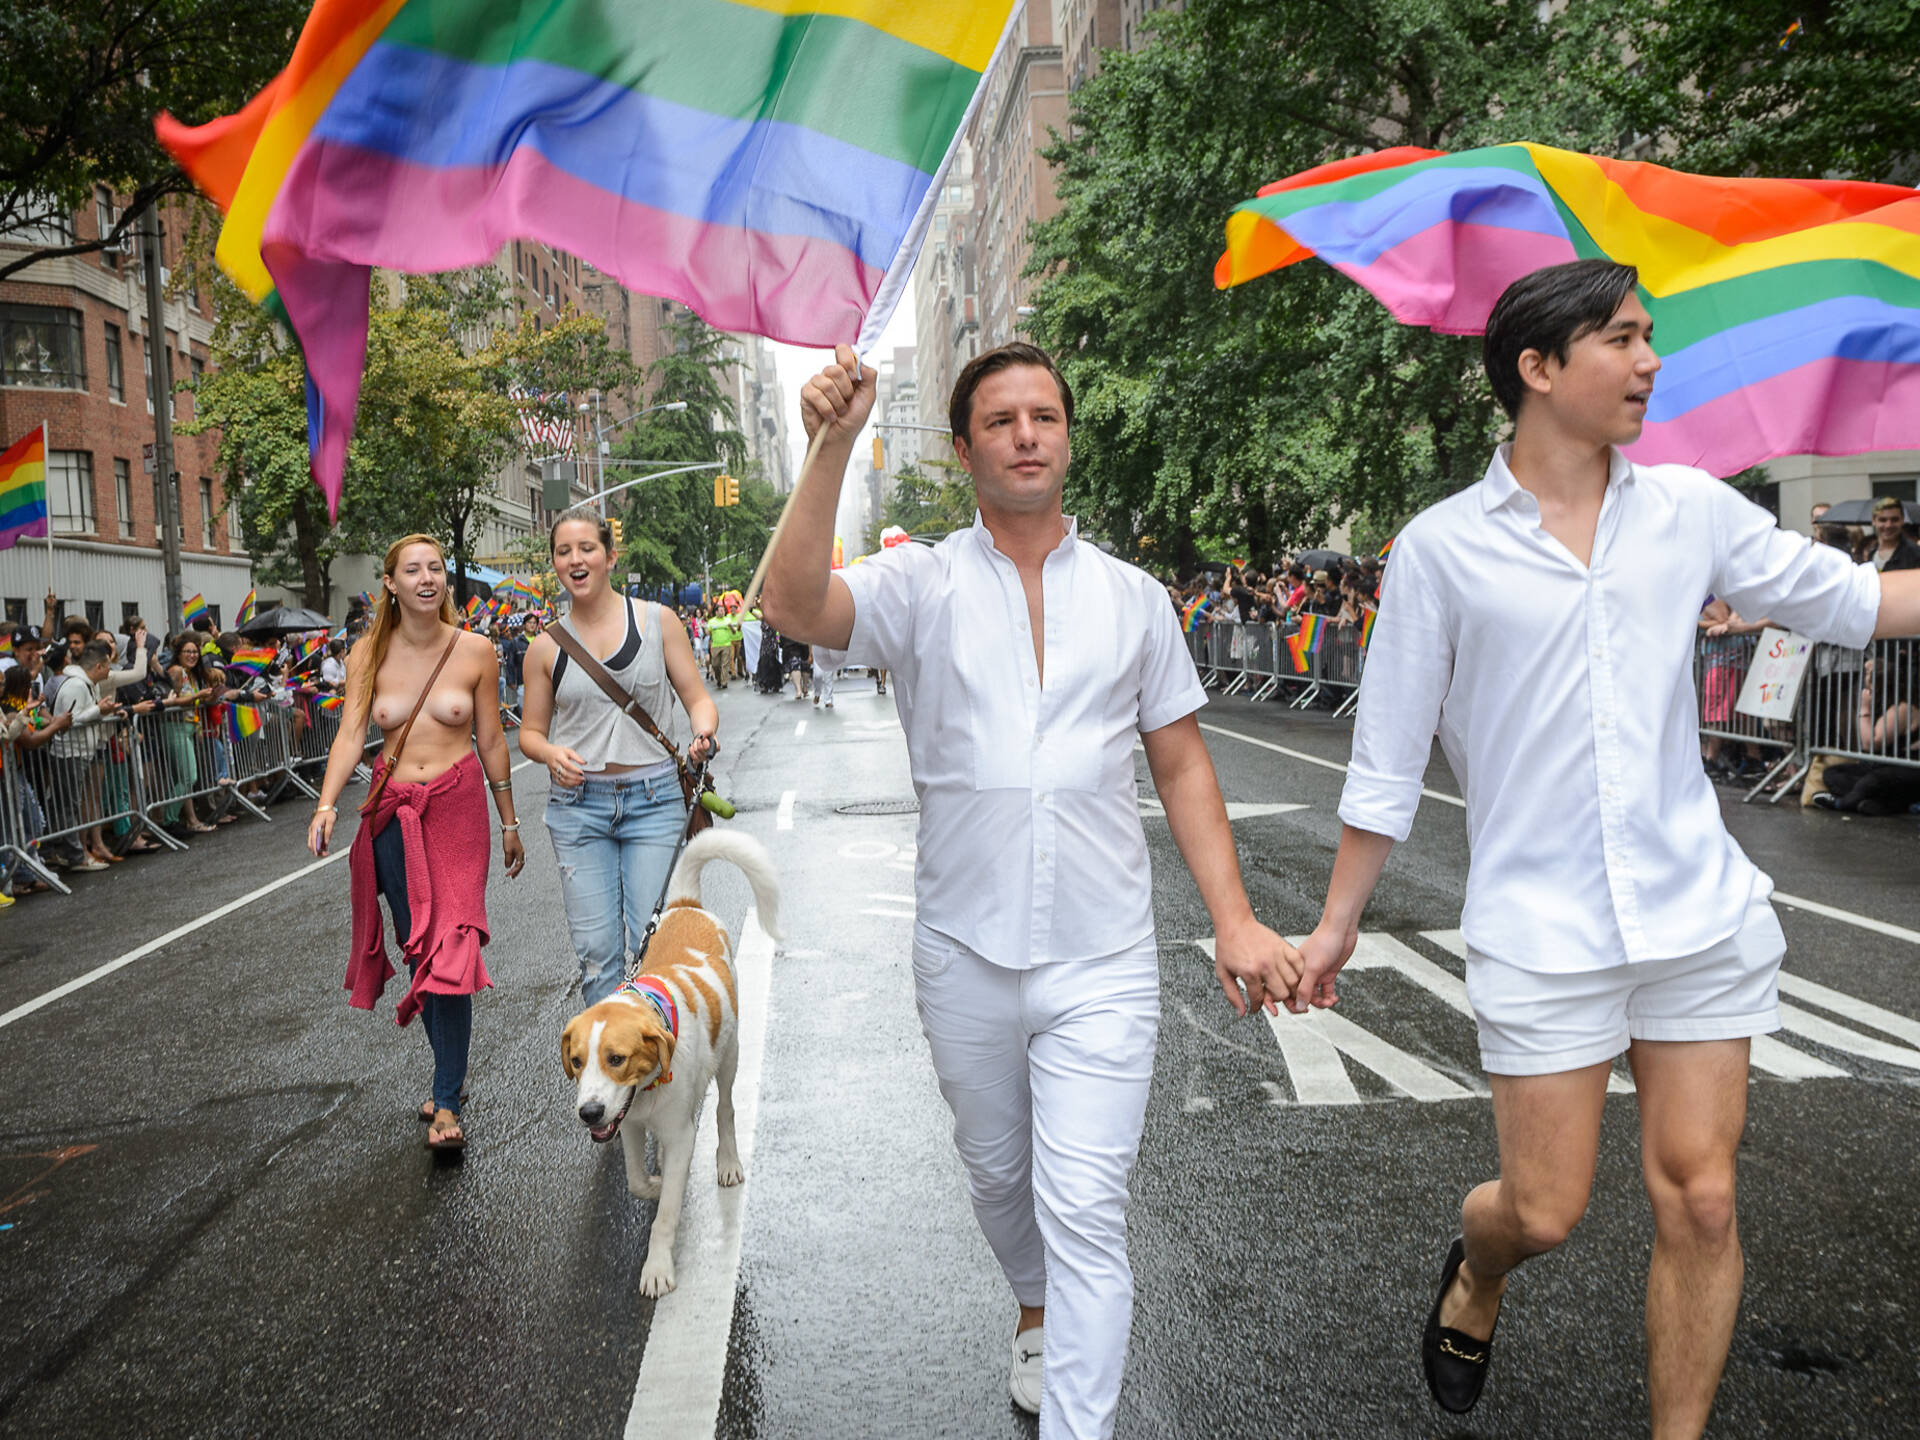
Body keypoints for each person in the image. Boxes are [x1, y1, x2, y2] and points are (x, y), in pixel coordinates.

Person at [1290, 258, 1920, 1438]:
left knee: (1704, 1197)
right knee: (1541, 1210)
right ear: (1538, 367)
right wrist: (1335, 928)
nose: (1650, 361)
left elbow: (1856, 603)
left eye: (1648, 336)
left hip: (1695, 913)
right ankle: (1477, 1269)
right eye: (1622, 339)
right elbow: (1384, 762)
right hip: (1541, 928)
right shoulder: (1440, 549)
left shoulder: (1690, 511)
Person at [761, 341, 1299, 1439]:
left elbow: (1182, 764)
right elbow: (793, 603)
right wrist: (832, 448)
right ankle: (1034, 1306)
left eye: (1044, 417)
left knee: (1086, 1207)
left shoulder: (1134, 599)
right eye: (1000, 421)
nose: (1025, 436)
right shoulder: (920, 584)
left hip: (1104, 958)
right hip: (964, 949)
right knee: (1000, 1178)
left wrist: (1235, 921)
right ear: (964, 451)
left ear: (1067, 437)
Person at [307, 533, 524, 1153]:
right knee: (420, 950)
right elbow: (352, 735)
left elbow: (491, 740)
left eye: (435, 568)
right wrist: (326, 804)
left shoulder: (475, 650)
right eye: (413, 569)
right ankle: (448, 1072)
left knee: (452, 944)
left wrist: (509, 820)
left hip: (457, 809)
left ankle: (447, 1099)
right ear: (391, 583)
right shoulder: (367, 654)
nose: (427, 577)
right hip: (394, 815)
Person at [517, 508, 718, 1008]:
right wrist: (549, 753)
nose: (575, 560)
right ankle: (612, 1057)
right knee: (597, 957)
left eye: (587, 548)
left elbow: (697, 698)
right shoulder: (544, 648)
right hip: (578, 809)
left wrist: (703, 732)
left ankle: (659, 1053)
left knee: (655, 949)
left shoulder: (658, 622)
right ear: (555, 564)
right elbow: (530, 734)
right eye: (563, 551)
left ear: (610, 556)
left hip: (656, 801)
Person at [1866, 494, 1920, 572]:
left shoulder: (1915, 554)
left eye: (1894, 520)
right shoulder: (1870, 551)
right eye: (1883, 520)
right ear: (1874, 521)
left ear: (1902, 520)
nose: (1888, 525)